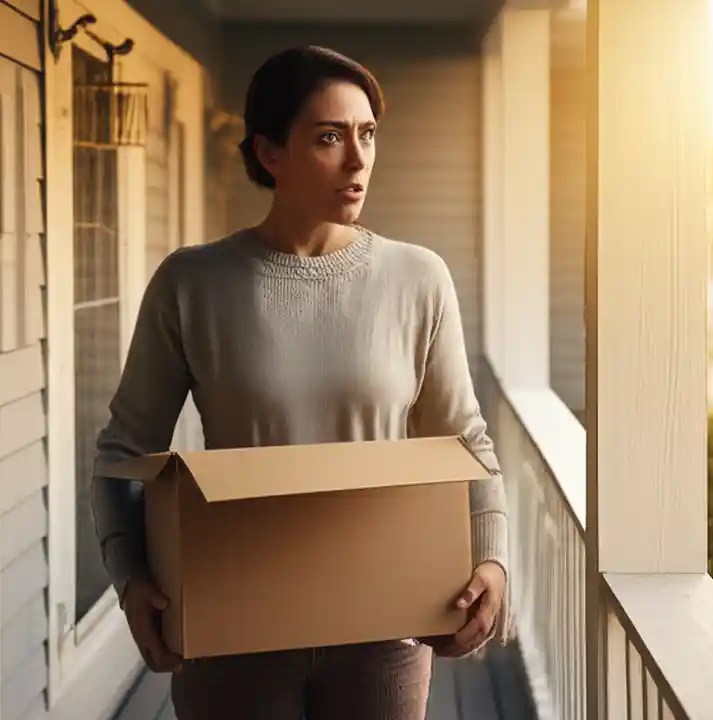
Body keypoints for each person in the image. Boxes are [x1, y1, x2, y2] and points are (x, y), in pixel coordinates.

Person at [90, 45, 511, 719]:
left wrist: (491, 561)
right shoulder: (192, 284)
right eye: (329, 137)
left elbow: (465, 440)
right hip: (232, 628)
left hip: (385, 629)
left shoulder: (418, 278)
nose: (358, 159)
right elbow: (120, 454)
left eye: (367, 134)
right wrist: (131, 578)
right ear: (270, 153)